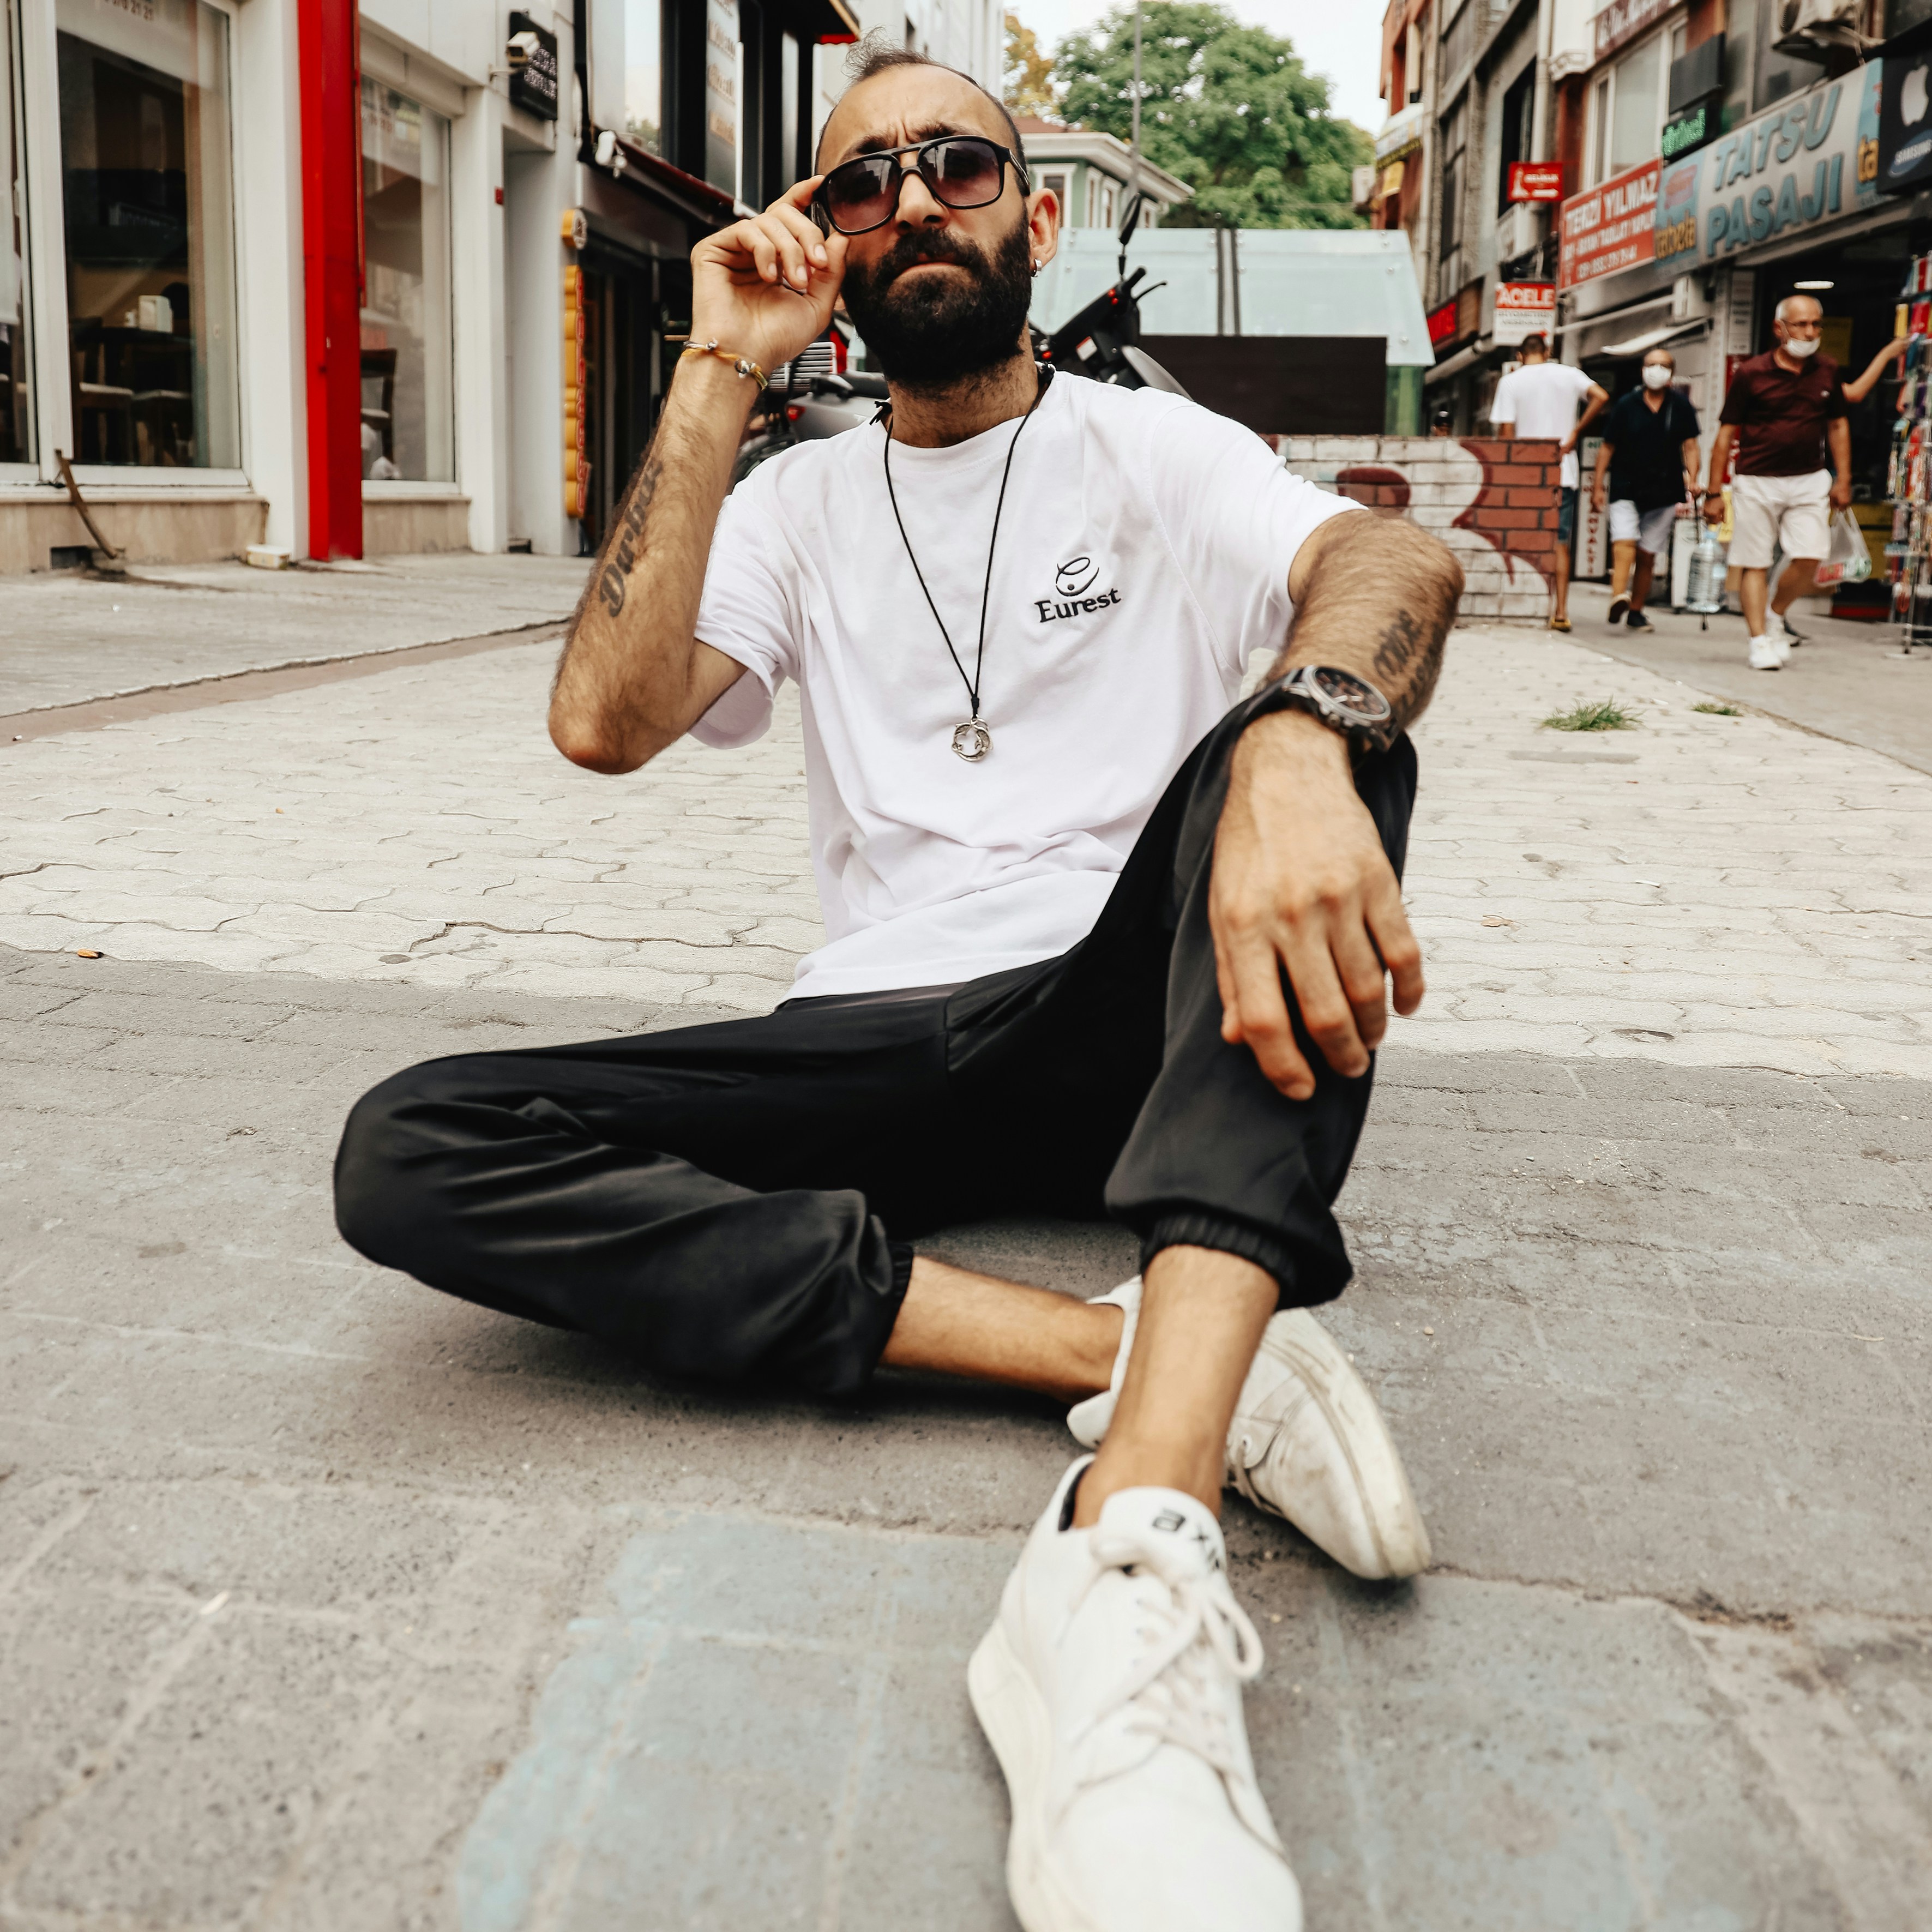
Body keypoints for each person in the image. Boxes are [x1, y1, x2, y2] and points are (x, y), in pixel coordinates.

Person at [334, 43, 1461, 1931]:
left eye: (957, 162)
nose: (913, 197)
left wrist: (1297, 731)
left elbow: (1385, 552)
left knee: (1329, 742)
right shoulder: (792, 500)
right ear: (829, 245)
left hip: (1122, 1012)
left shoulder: (1149, 447)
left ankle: (1127, 1544)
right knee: (413, 1142)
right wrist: (716, 367)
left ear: (1034, 214)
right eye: (862, 182)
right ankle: (1132, 1351)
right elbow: (601, 720)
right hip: (871, 1034)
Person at [1706, 294, 1905, 669]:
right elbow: (1725, 434)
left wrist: (1843, 479)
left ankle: (1775, 614)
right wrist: (1714, 492)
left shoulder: (1826, 369)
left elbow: (1838, 425)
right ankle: (1758, 641)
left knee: (1811, 556)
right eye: (1801, 324)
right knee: (1754, 562)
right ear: (1779, 328)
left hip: (1809, 479)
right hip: (1756, 480)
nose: (1810, 332)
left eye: (1816, 324)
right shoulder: (1751, 373)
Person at [1488, 333, 1607, 634]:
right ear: (1548, 351)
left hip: (1527, 477)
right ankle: (1561, 612)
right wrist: (1575, 433)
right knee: (1560, 543)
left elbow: (1506, 434)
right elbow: (1601, 396)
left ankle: (1526, 606)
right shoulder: (1569, 374)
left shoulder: (1511, 382)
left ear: (1519, 355)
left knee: (1524, 540)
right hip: (1563, 473)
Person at [1590, 347, 1701, 633]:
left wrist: (1694, 478)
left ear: (1671, 373)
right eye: (1651, 364)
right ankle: (1619, 596)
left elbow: (1691, 446)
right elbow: (1607, 447)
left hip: (1665, 489)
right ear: (1643, 370)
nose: (1656, 370)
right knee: (1624, 541)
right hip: (1626, 485)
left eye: (1663, 365)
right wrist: (1598, 486)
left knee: (1648, 554)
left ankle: (1636, 610)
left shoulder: (1681, 406)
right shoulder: (1626, 405)